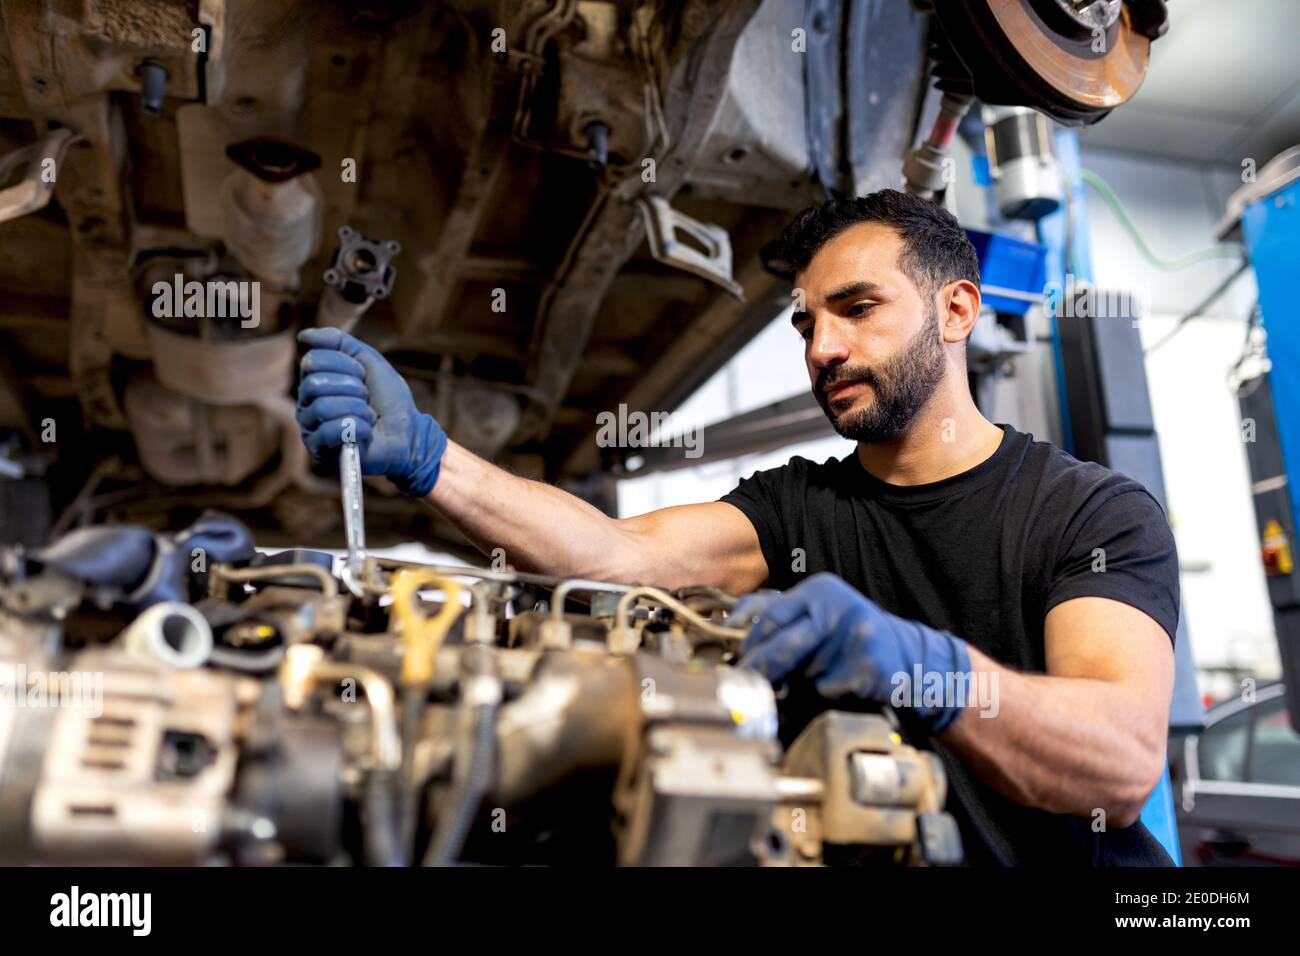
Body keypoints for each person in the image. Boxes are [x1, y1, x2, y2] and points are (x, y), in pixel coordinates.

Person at [295, 188, 1179, 865]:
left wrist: (925, 666)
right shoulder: (798, 507)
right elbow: (621, 555)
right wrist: (427, 457)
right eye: (807, 323)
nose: (821, 348)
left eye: (858, 308)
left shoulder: (1091, 514)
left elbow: (1121, 764)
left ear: (956, 311)